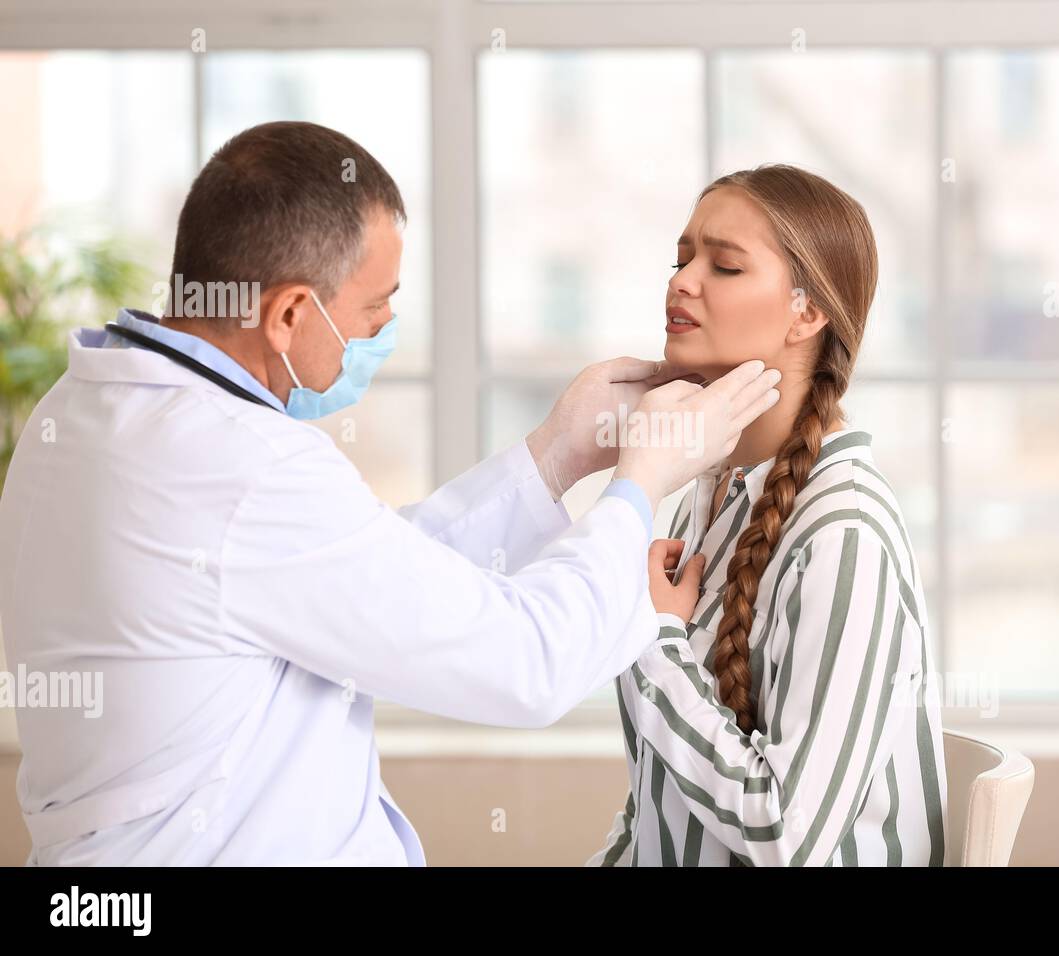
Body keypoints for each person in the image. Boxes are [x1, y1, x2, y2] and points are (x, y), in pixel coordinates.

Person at [0, 121, 781, 865]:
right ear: (290, 313)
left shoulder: (79, 415)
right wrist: (639, 483)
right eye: (375, 306)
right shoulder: (241, 465)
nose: (388, 325)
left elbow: (368, 576)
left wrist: (556, 458)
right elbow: (524, 662)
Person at [587, 164, 947, 867]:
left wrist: (655, 639)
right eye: (681, 258)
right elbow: (658, 806)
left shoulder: (845, 537)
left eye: (723, 265)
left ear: (807, 313)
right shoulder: (705, 500)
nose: (682, 281)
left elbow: (789, 836)